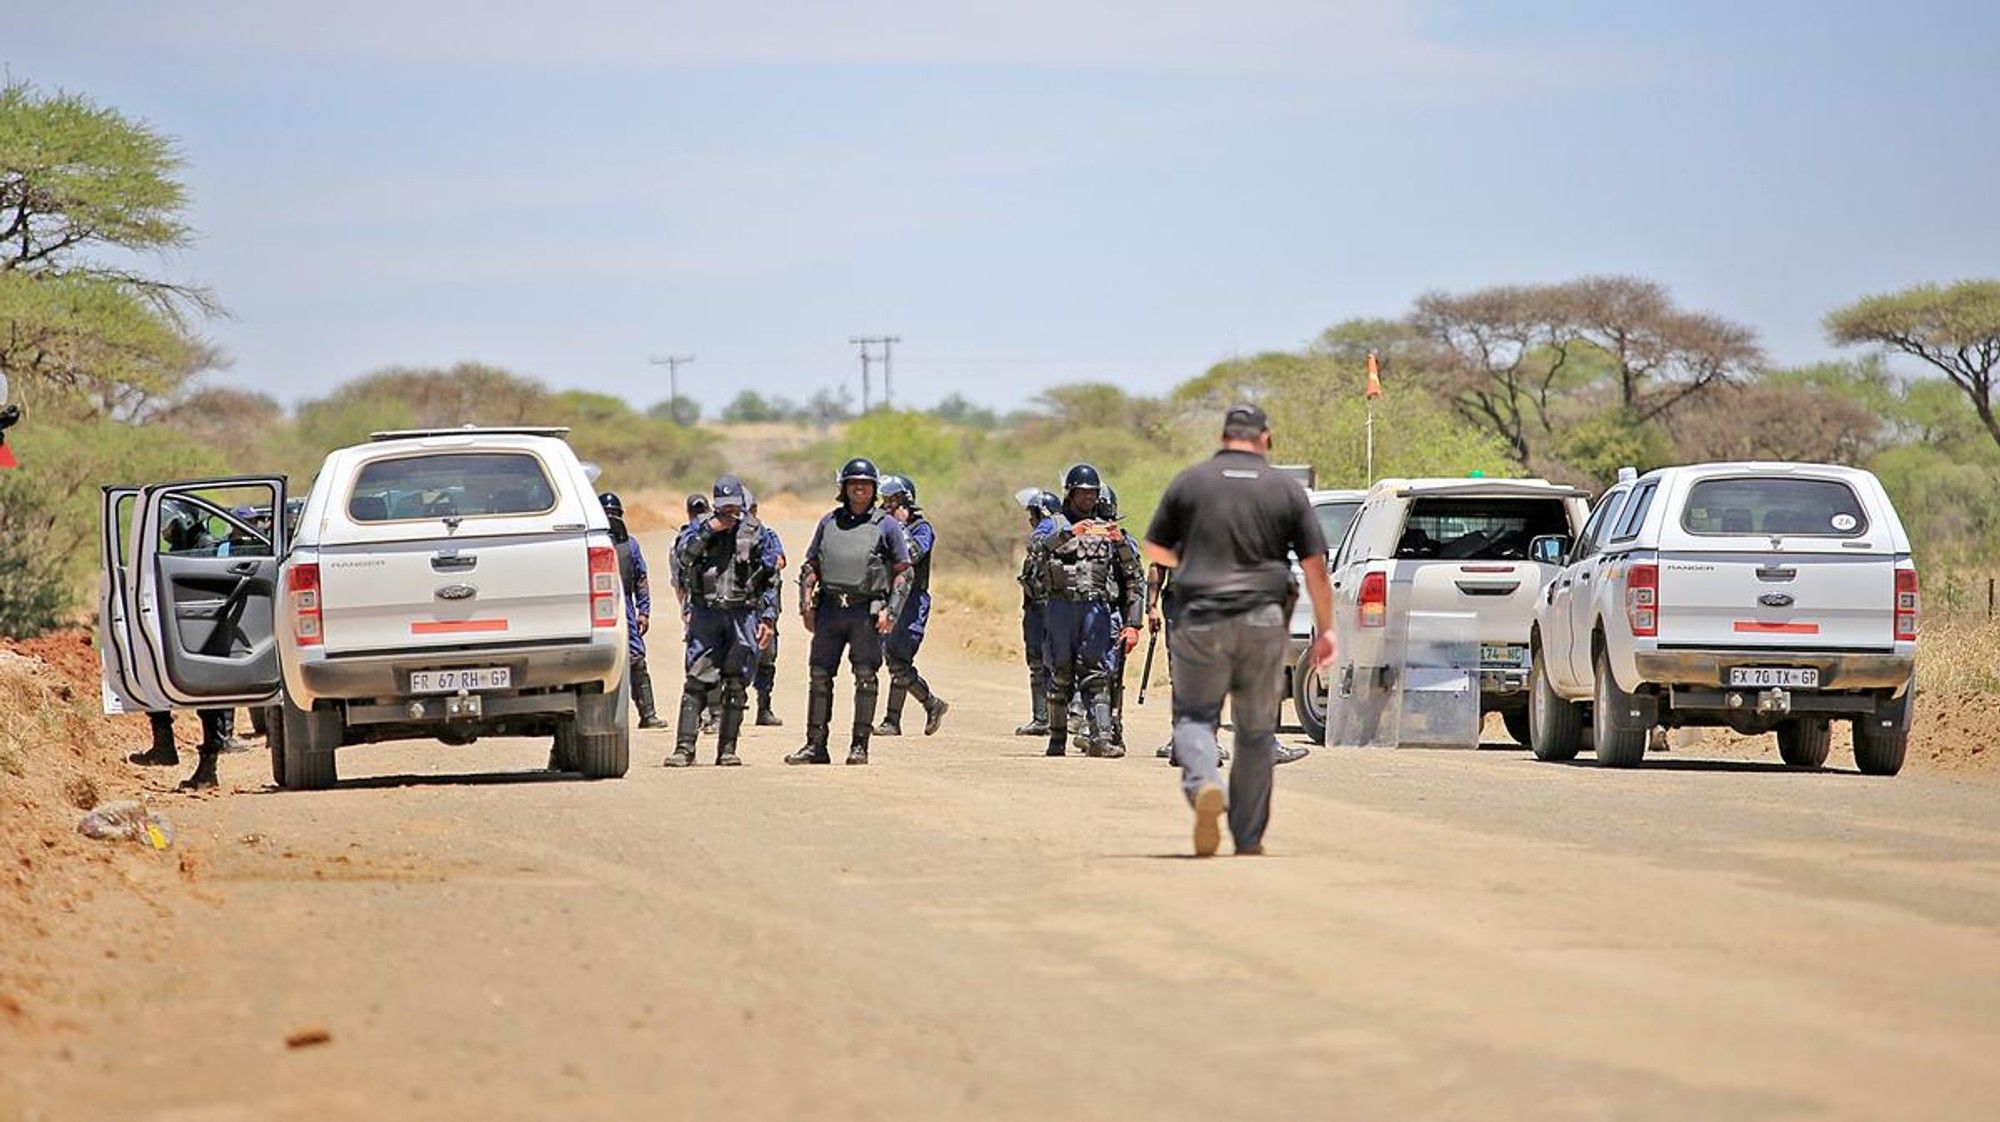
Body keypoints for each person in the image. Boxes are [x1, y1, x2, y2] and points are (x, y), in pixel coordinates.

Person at [1144, 404, 1336, 857]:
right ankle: (1248, 838)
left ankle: (1205, 784)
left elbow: (1154, 546)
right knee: (1254, 731)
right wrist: (1326, 630)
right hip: (1263, 621)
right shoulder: (1285, 489)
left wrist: (1193, 564)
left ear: (1224, 435)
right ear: (1265, 438)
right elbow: (1315, 569)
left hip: (1200, 618)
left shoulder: (1191, 482)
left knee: (1194, 717)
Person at [787, 458, 912, 766]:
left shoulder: (887, 525)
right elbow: (810, 566)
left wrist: (891, 612)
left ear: (874, 489)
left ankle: (860, 746)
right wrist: (805, 605)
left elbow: (903, 571)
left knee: (866, 677)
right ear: (843, 487)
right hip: (829, 609)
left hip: (865, 612)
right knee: (819, 677)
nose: (860, 488)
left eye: (866, 484)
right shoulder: (828, 522)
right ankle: (816, 746)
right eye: (854, 482)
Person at [1029, 464, 1142, 759]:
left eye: (1092, 493)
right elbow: (1035, 554)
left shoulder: (1109, 529)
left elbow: (1133, 575)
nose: (1088, 499)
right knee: (1061, 672)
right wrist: (1068, 534)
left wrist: (1133, 622)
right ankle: (1056, 739)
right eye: (1082, 493)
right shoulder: (1054, 524)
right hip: (1061, 606)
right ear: (1070, 493)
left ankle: (1102, 738)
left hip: (1096, 607)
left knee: (1097, 673)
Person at [668, 475, 782, 767]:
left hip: (742, 614)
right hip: (706, 614)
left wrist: (768, 617)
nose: (729, 512)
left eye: (734, 506)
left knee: (736, 682)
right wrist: (709, 531)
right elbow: (682, 558)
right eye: (723, 506)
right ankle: (684, 749)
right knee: (696, 679)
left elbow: (772, 577)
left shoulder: (758, 533)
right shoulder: (699, 527)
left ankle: (727, 750)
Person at [874, 475, 950, 737]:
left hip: (913, 601)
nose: (886, 506)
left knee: (899, 659)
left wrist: (901, 527)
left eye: (892, 501)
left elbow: (913, 555)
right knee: (893, 659)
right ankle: (926, 706)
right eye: (884, 500)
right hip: (890, 598)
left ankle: (896, 718)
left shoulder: (921, 528)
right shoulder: (883, 526)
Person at [599, 492, 665, 729]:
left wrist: (643, 612)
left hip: (624, 606)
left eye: (614, 514)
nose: (611, 518)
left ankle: (647, 714)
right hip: (599, 606)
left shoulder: (631, 545)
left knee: (636, 659)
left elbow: (640, 579)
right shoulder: (591, 543)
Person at [1014, 490, 1060, 736]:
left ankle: (1052, 718)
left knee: (1049, 662)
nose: (1030, 519)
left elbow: (1037, 543)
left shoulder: (1049, 525)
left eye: (1031, 513)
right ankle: (1042, 718)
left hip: (1046, 605)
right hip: (1035, 604)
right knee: (1037, 661)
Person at [747, 491, 788, 727]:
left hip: (765, 605)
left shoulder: (767, 535)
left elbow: (780, 561)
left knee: (767, 658)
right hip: (739, 606)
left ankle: (764, 708)